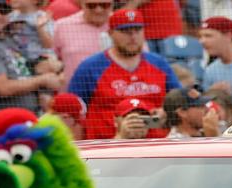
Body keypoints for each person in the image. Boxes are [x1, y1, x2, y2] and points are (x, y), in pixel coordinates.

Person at [66, 7, 178, 140]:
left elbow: (180, 104)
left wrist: (165, 112)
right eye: (125, 31)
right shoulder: (91, 67)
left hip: (156, 146)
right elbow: (71, 111)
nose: (133, 36)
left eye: (137, 30)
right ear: (110, 33)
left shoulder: (159, 64)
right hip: (107, 147)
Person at [0, 0, 59, 123]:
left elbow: (23, 73)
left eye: (3, 11)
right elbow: (3, 88)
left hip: (28, 120)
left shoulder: (10, 40)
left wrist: (45, 67)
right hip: (3, 126)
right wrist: (43, 80)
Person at [50, 0, 108, 85]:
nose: (98, 10)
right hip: (74, 92)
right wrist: (58, 70)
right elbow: (49, 58)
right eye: (91, 5)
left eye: (104, 5)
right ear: (82, 4)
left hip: (114, 93)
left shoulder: (121, 26)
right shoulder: (63, 26)